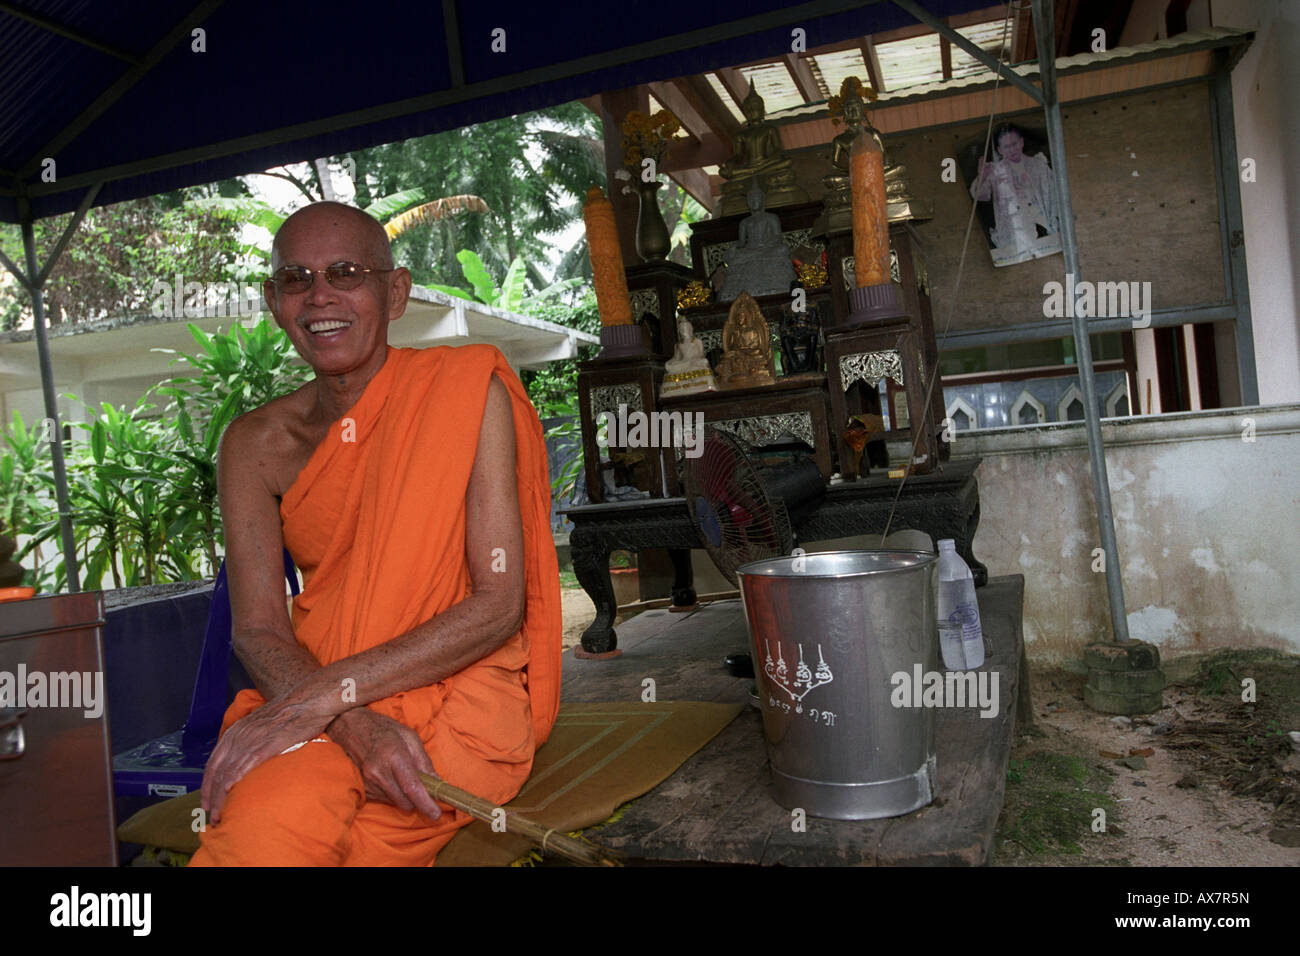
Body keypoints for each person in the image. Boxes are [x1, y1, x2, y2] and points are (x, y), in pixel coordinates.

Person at [188, 201, 561, 866]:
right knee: (262, 835)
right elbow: (259, 629)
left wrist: (327, 702)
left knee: (370, 846)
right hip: (319, 704)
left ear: (395, 291)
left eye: (345, 272)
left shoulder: (467, 392)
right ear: (275, 301)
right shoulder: (253, 444)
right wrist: (350, 719)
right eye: (296, 279)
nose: (320, 296)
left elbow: (499, 603)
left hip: (456, 693)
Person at [969, 124, 1061, 266]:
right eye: (1006, 147)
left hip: (1044, 227)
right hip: (1014, 234)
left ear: (1021, 142)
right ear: (1000, 150)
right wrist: (982, 176)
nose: (1012, 149)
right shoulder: (995, 170)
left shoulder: (1037, 164)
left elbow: (1056, 191)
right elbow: (980, 196)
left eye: (1014, 144)